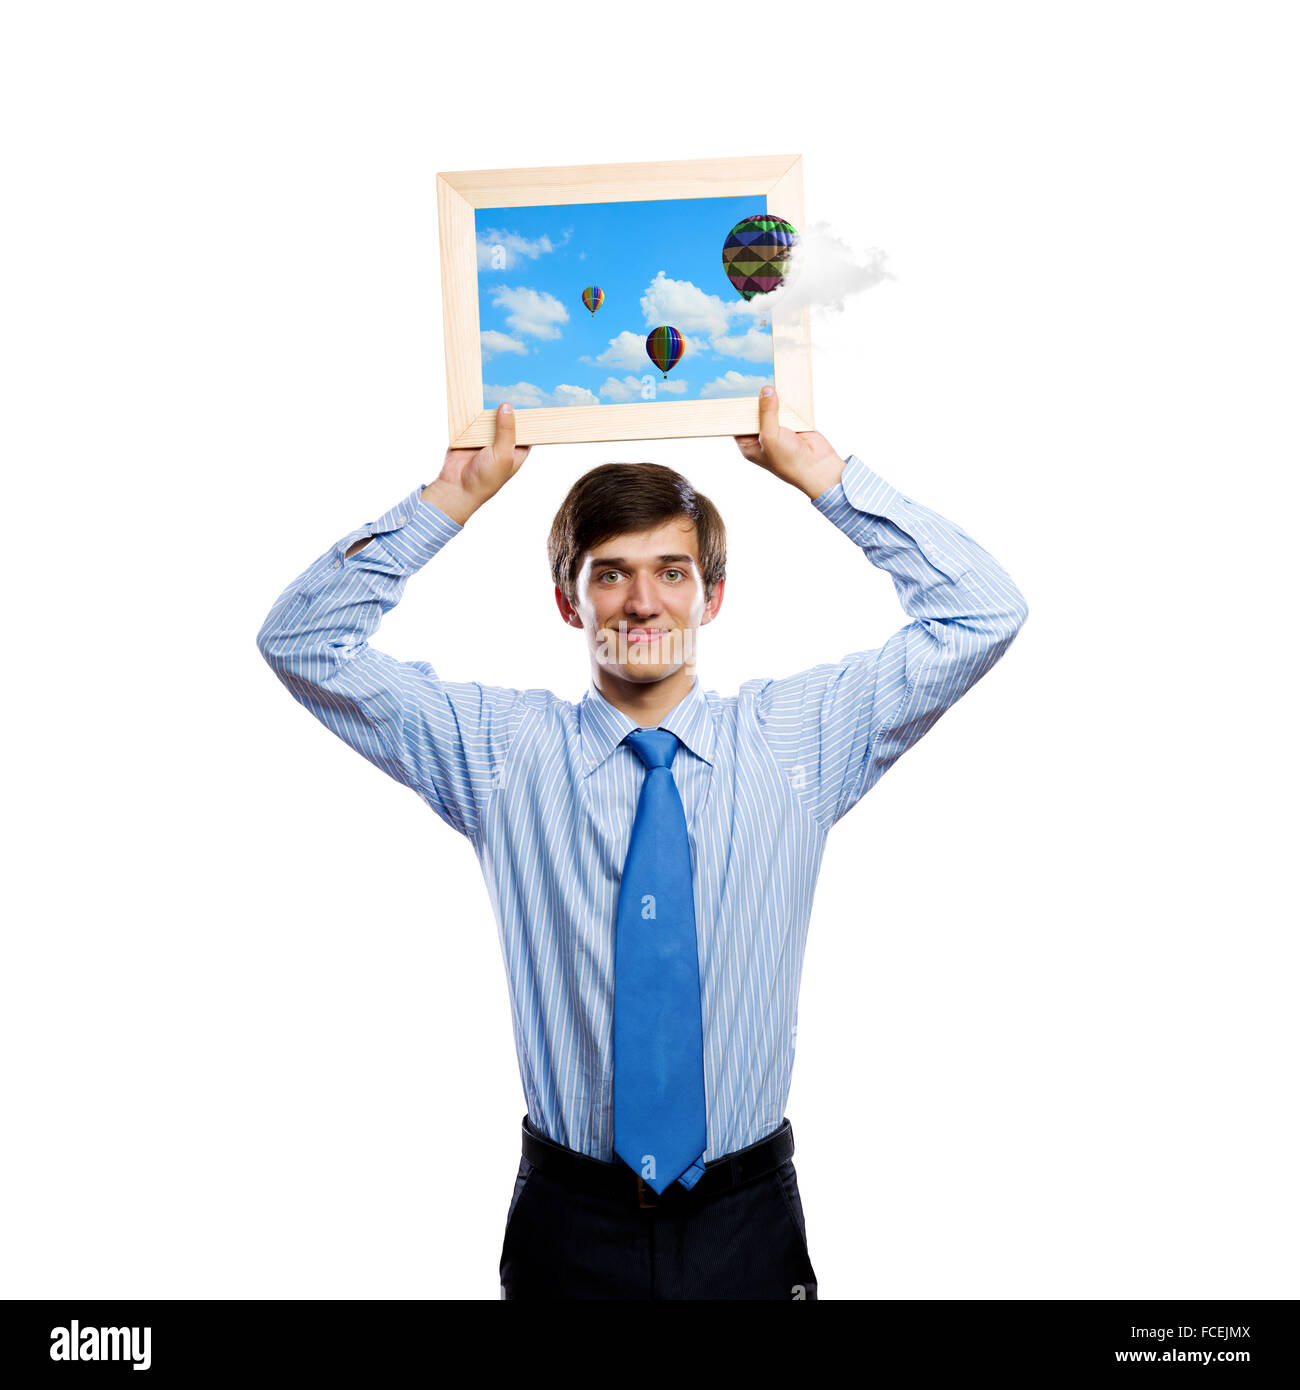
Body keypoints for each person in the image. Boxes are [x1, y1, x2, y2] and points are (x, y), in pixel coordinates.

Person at [256, 386, 1029, 1300]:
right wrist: (450, 498)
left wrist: (823, 476)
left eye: (672, 571)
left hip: (746, 1216)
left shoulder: (797, 744)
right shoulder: (501, 754)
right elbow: (303, 642)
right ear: (567, 601)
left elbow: (982, 615)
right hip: (569, 1221)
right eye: (610, 573)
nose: (641, 602)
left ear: (714, 596)